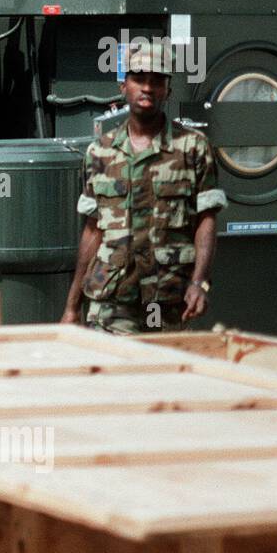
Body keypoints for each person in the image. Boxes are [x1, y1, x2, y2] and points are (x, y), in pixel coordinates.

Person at [62, 40, 226, 334]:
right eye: (138, 79)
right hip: (111, 298)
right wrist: (72, 307)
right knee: (112, 376)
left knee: (162, 377)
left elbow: (207, 220)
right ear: (124, 86)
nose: (147, 88)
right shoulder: (100, 152)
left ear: (168, 90)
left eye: (156, 81)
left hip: (169, 298)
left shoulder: (192, 147)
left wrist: (200, 282)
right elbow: (92, 229)